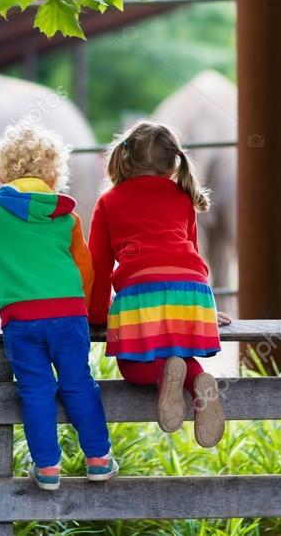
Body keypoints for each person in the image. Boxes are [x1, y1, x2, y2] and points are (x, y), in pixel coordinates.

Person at [0, 123, 116, 490]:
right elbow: (86, 266)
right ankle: (99, 460)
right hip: (70, 317)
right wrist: (84, 308)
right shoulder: (66, 215)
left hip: (21, 320)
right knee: (79, 384)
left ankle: (48, 468)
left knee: (35, 389)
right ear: (54, 173)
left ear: (3, 170)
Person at [88, 120, 231, 448]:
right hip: (193, 294)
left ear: (124, 158)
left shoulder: (109, 202)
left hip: (141, 292)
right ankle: (198, 383)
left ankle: (161, 375)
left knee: (133, 367)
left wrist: (97, 315)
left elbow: (98, 265)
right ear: (172, 163)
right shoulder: (183, 198)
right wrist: (207, 311)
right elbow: (190, 256)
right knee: (180, 356)